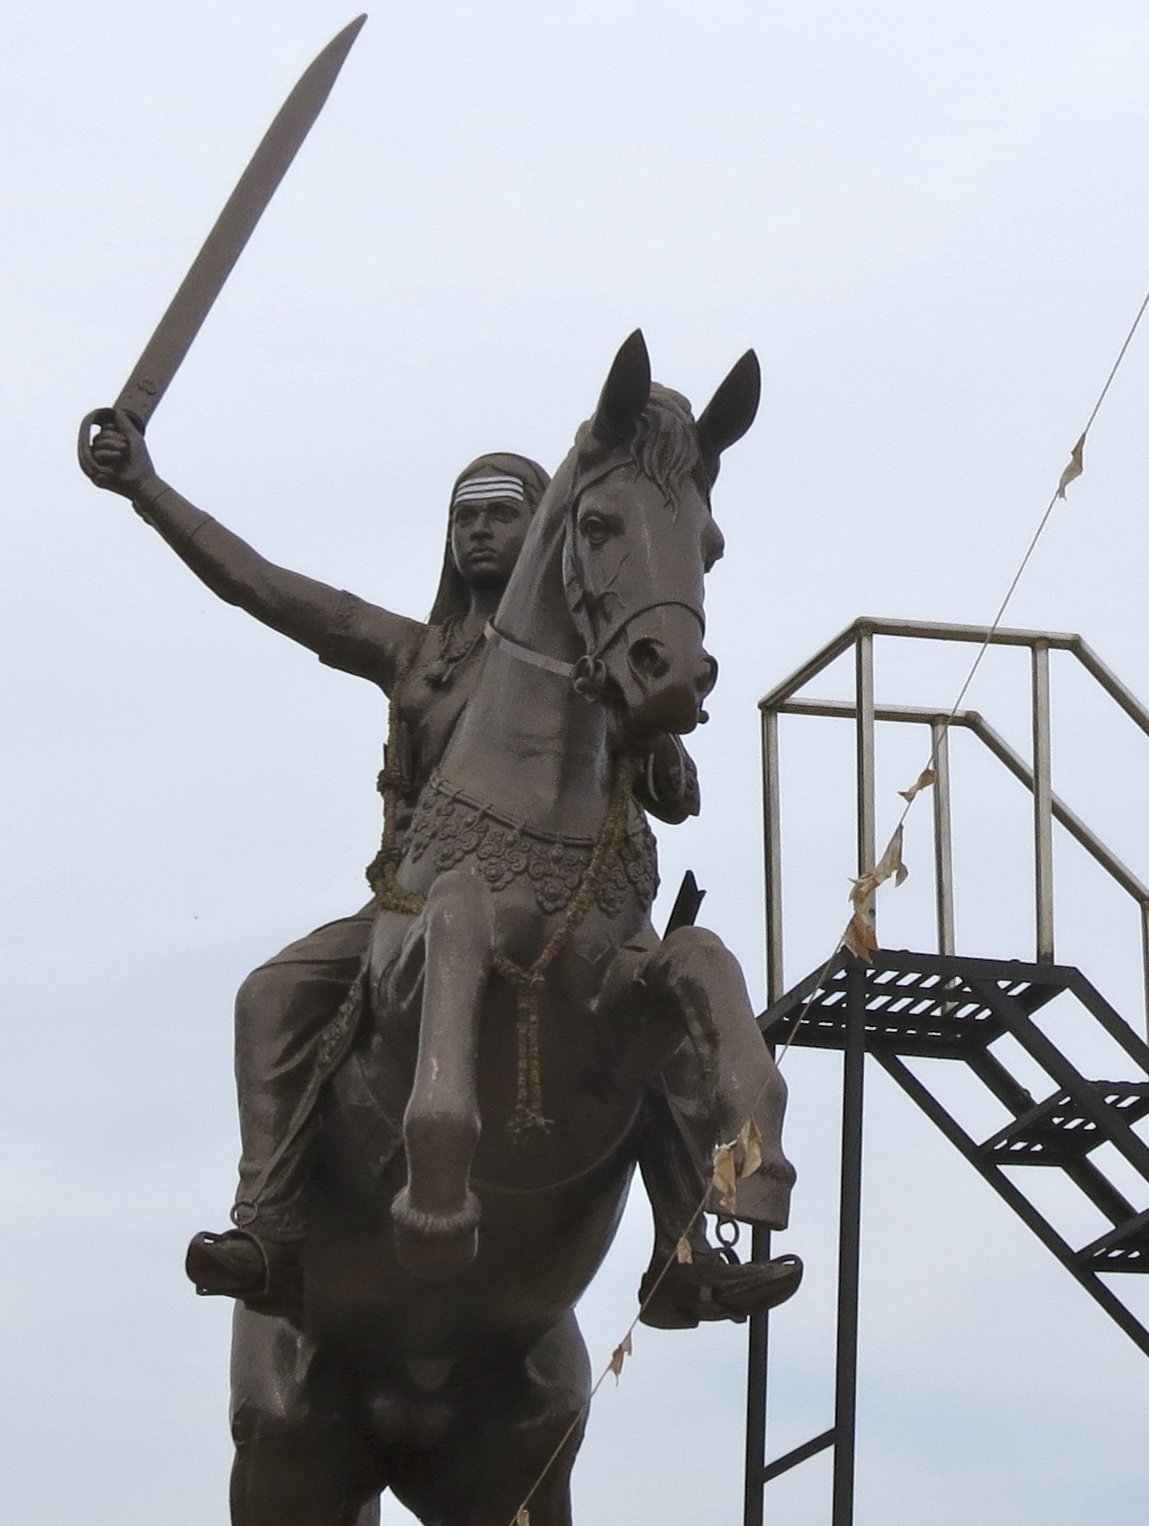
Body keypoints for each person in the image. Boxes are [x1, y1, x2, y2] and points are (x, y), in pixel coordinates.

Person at [82, 414, 797, 1326]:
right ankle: (269, 1225)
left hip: (588, 914)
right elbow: (260, 585)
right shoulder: (413, 655)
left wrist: (656, 729)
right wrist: (148, 490)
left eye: (504, 513)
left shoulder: (601, 678)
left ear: (543, 531)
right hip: (418, 908)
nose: (480, 530)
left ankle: (688, 1247)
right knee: (271, 993)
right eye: (465, 516)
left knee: (676, 1006)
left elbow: (673, 791)